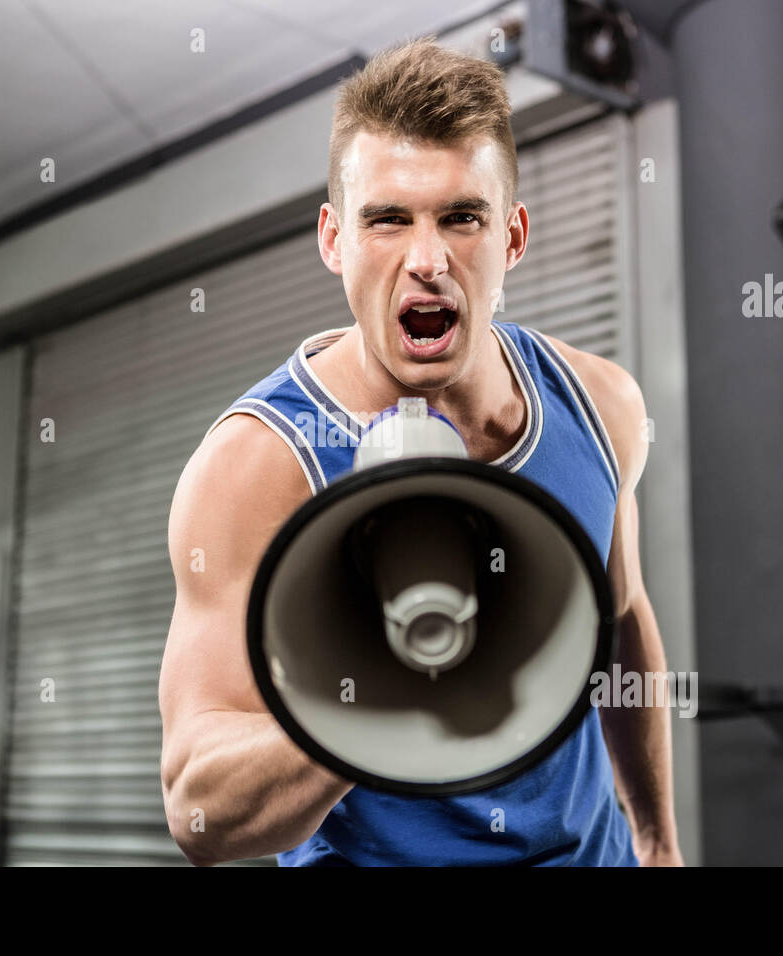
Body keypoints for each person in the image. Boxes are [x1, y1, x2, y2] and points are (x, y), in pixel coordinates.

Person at [159, 37, 682, 867]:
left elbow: (620, 621)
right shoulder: (259, 466)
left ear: (512, 237)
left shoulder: (601, 405)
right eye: (388, 219)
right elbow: (199, 814)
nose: (428, 261)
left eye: (462, 218)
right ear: (335, 240)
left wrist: (657, 838)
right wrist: (370, 696)